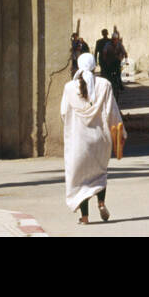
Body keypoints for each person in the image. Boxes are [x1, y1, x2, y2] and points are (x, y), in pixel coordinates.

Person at [60, 52, 124, 225]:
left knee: (80, 178)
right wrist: (121, 134)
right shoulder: (105, 84)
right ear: (95, 65)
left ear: (78, 66)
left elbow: (64, 113)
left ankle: (85, 217)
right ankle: (101, 203)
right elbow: (112, 112)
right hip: (100, 138)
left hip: (78, 140)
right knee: (99, 173)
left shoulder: (69, 88)